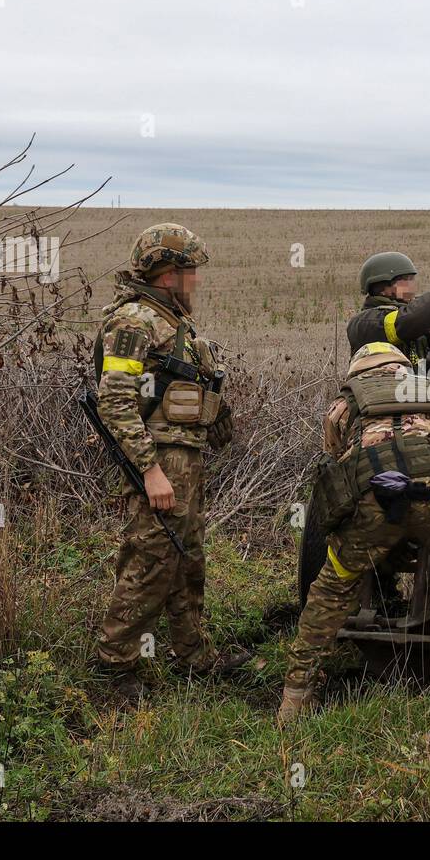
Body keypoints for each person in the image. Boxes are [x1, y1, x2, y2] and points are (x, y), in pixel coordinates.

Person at [92, 223, 247, 701]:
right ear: (167, 273)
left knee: (187, 559)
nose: (196, 279)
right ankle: (116, 667)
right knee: (150, 561)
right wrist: (149, 470)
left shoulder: (169, 319)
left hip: (183, 457)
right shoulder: (135, 321)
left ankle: (193, 654)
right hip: (159, 459)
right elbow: (115, 400)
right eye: (190, 270)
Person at [279, 342, 430, 724]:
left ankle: (296, 697)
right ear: (400, 367)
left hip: (376, 506)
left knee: (332, 588)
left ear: (358, 372)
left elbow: (335, 459)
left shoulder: (345, 404)